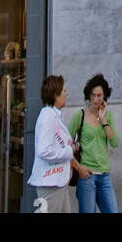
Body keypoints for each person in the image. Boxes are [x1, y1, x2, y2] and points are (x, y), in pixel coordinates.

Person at [29, 75, 90, 213]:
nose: (66, 93)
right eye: (64, 90)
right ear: (55, 95)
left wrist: (76, 164)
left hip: (57, 182)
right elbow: (44, 150)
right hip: (51, 182)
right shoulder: (48, 117)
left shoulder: (53, 115)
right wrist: (70, 149)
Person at [69, 73, 119, 214]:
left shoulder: (107, 116)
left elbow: (114, 142)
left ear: (104, 97)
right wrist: (78, 167)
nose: (95, 99)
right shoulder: (80, 115)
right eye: (93, 95)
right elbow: (65, 144)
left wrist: (104, 121)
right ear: (88, 95)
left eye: (99, 95)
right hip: (86, 176)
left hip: (104, 176)